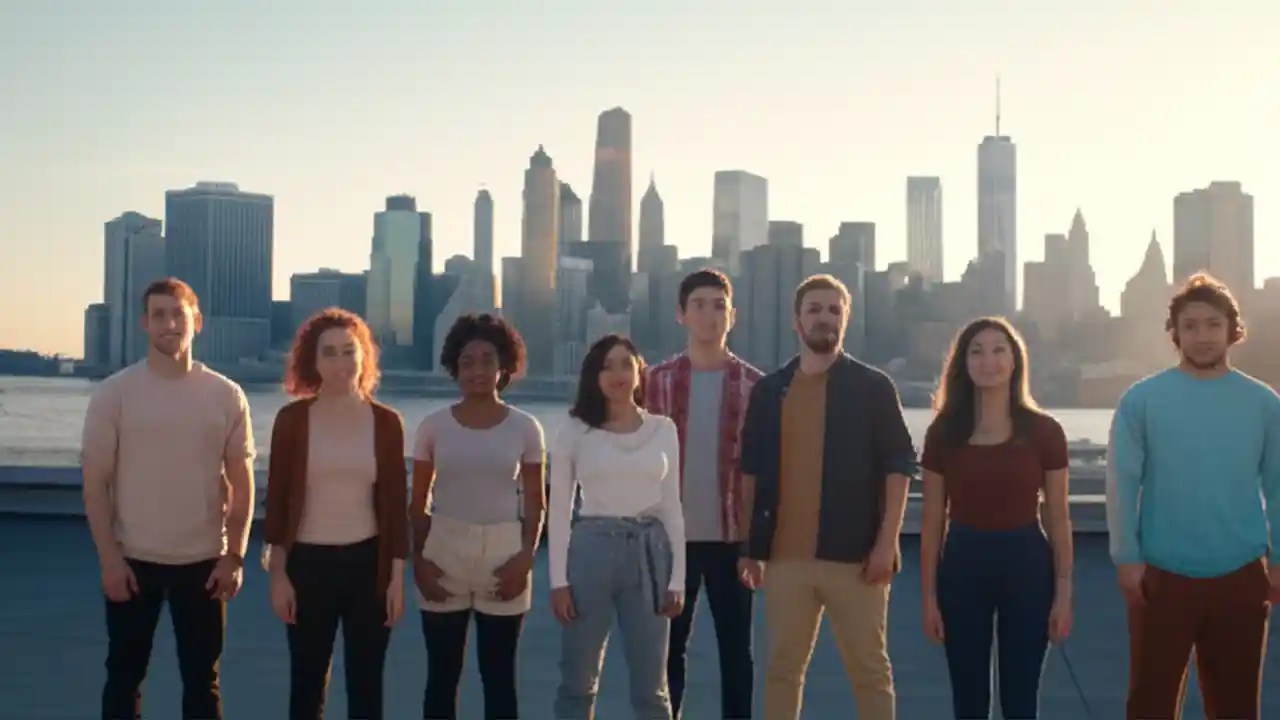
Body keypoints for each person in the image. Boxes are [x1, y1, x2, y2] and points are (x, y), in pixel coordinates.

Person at [738, 273, 916, 720]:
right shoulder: (769, 390)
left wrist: (886, 543)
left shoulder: (873, 387)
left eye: (834, 310)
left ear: (846, 319)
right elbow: (750, 471)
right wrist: (749, 547)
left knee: (870, 671)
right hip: (785, 560)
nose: (824, 317)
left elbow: (899, 466)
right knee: (782, 671)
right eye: (814, 309)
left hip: (857, 559)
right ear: (796, 321)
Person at [1106, 273, 1280, 720]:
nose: (1202, 336)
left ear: (1232, 329)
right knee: (1149, 705)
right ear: (1175, 333)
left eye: (1213, 324)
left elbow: (1278, 487)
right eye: (1190, 326)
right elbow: (1122, 482)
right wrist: (1127, 558)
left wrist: (1279, 560)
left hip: (1241, 574)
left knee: (1236, 707)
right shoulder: (1142, 401)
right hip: (1162, 575)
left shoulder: (1264, 403)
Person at [81, 278, 255, 720]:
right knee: (124, 676)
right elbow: (95, 482)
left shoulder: (226, 395)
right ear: (144, 323)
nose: (169, 323)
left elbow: (242, 482)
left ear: (197, 321)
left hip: (204, 564)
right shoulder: (115, 393)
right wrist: (110, 561)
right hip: (133, 562)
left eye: (178, 314)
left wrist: (234, 556)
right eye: (159, 314)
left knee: (202, 681)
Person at [919, 317, 1074, 719]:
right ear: (963, 363)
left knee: (1020, 699)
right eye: (977, 351)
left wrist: (1063, 593)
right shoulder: (943, 433)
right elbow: (932, 521)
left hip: (1027, 566)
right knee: (968, 700)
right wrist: (929, 597)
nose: (989, 361)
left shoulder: (1044, 431)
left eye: (999, 350)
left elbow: (1058, 517)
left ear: (1015, 359)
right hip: (962, 566)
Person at [262, 308, 408, 720]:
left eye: (349, 350)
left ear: (364, 356)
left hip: (368, 564)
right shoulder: (292, 420)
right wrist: (278, 576)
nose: (341, 362)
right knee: (307, 685)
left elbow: (395, 508)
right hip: (307, 565)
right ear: (312, 360)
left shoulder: (387, 423)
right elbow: (277, 503)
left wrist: (396, 580)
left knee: (367, 685)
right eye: (329, 352)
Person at [410, 314, 546, 720]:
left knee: (499, 677)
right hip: (444, 549)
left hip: (504, 552)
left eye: (488, 359)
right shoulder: (433, 427)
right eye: (467, 362)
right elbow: (418, 502)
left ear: (504, 366)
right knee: (441, 677)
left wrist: (525, 559)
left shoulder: (526, 428)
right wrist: (419, 562)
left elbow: (535, 501)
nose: (477, 370)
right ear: (454, 367)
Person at [644, 269, 761, 720]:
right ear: (681, 314)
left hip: (733, 539)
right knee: (668, 650)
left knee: (737, 651)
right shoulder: (655, 382)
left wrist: (756, 544)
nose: (709, 315)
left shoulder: (755, 386)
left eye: (718, 305)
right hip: (671, 540)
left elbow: (765, 470)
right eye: (698, 305)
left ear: (733, 315)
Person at [550, 334, 686, 720]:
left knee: (652, 687)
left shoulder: (663, 429)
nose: (617, 373)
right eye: (606, 366)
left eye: (626, 363)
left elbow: (671, 507)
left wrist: (677, 579)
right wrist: (558, 582)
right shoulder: (575, 429)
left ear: (640, 371)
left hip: (649, 553)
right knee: (578, 681)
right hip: (591, 550)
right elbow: (559, 509)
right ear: (594, 376)